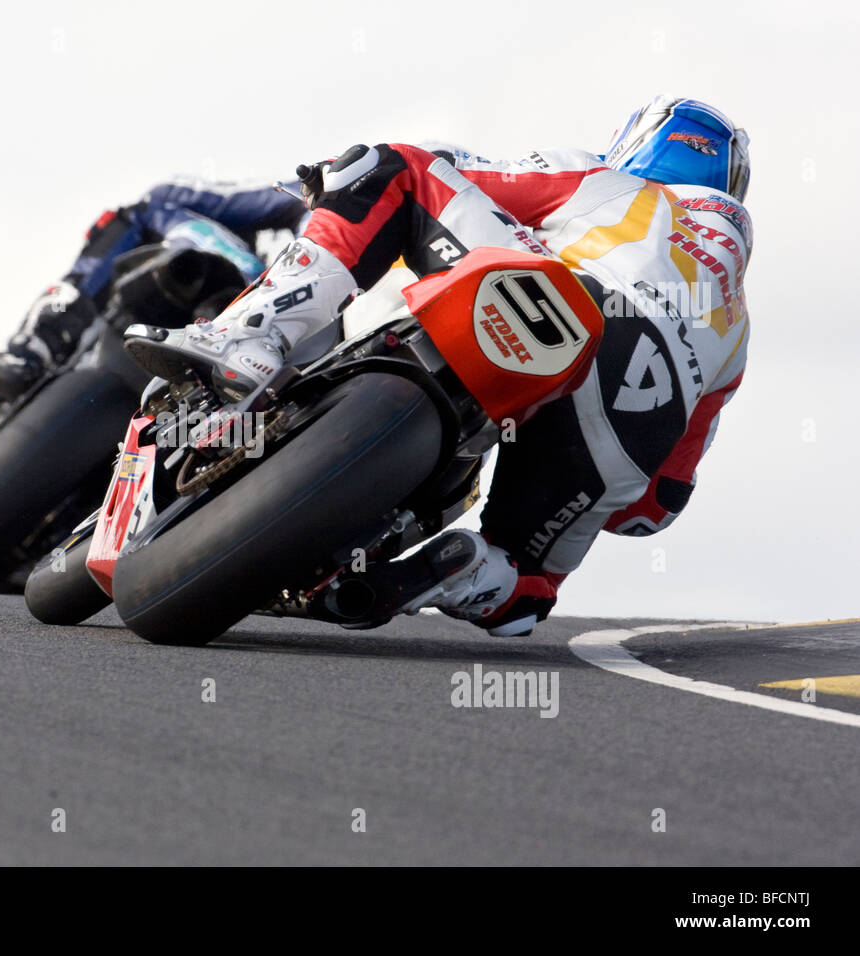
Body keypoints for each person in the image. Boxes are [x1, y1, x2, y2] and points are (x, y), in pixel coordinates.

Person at [126, 95, 752, 636]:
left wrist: (334, 183)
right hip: (630, 431)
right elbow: (653, 509)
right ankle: (472, 574)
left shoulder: (609, 183)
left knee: (394, 167)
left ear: (637, 144)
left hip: (562, 301)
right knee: (529, 586)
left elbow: (451, 168)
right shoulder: (737, 324)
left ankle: (250, 334)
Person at [0, 178, 308, 401]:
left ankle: (32, 350)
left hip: (255, 293)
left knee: (145, 207)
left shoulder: (173, 202)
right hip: (268, 315)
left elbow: (302, 197)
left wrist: (304, 260)